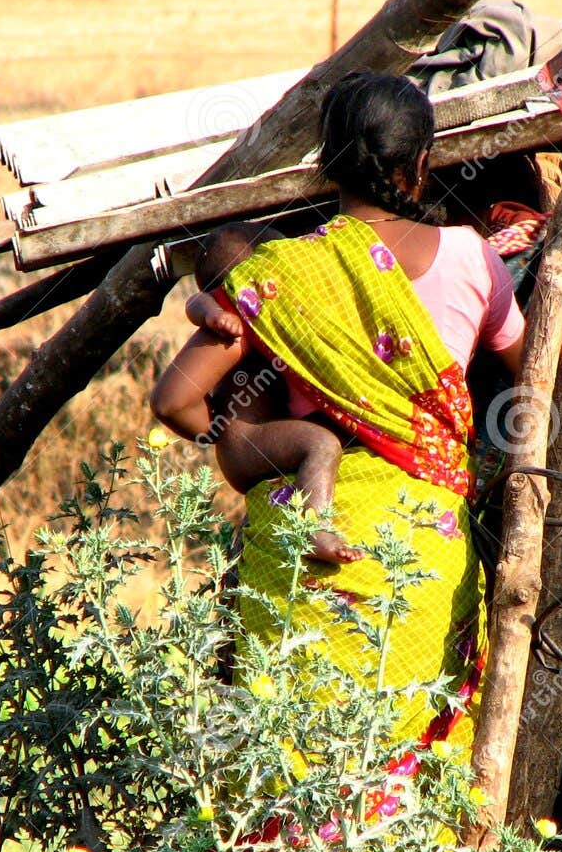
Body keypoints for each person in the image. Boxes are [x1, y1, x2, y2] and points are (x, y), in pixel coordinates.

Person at [150, 70, 526, 798]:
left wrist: (248, 444)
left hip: (297, 556)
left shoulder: (282, 274)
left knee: (287, 775)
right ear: (421, 163)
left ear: (325, 164)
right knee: (410, 776)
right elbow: (538, 364)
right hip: (420, 559)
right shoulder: (473, 258)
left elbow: (175, 403)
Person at [184, 221, 362, 565]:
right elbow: (196, 301)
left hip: (250, 444)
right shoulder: (232, 311)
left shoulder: (273, 322)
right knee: (321, 444)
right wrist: (214, 315)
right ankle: (313, 528)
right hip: (247, 443)